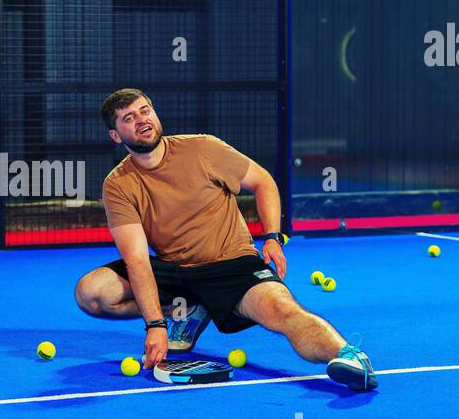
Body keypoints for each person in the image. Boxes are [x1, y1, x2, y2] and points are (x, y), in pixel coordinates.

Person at [73, 88, 378, 392]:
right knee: (92, 292)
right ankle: (186, 308)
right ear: (116, 136)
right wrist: (156, 324)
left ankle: (349, 356)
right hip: (174, 270)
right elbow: (137, 259)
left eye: (145, 110)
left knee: (282, 310)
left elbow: (262, 182)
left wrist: (272, 237)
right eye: (129, 118)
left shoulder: (203, 149)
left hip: (232, 264)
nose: (142, 120)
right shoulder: (118, 184)